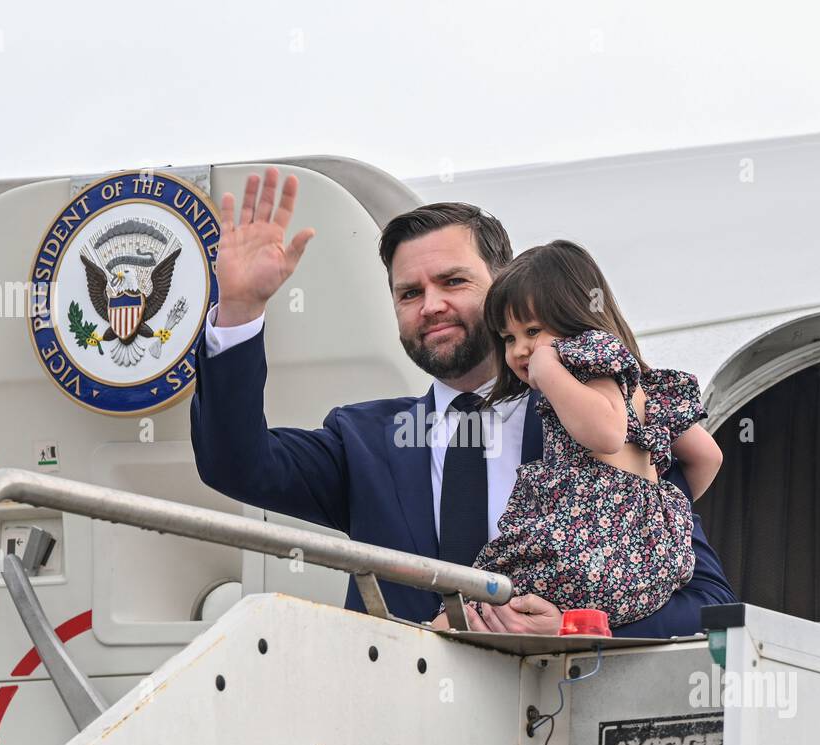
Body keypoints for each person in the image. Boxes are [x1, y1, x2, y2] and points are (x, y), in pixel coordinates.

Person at [190, 167, 736, 636]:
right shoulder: (362, 440)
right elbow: (236, 464)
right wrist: (238, 311)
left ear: (504, 288)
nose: (431, 305)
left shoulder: (596, 418)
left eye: (453, 281)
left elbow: (707, 606)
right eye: (409, 293)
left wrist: (578, 626)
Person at [430, 240, 722, 629]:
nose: (520, 350)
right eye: (509, 338)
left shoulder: (587, 359)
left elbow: (606, 434)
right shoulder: (647, 391)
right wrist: (660, 508)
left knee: (469, 609)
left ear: (575, 317)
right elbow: (707, 456)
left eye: (532, 331)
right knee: (491, 614)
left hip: (585, 548)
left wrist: (549, 371)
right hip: (645, 559)